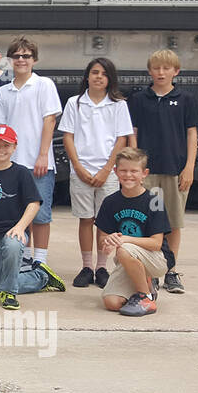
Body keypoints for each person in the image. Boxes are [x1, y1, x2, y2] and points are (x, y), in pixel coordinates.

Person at [127, 48, 198, 295]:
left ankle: (170, 270)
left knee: (173, 222)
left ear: (175, 71)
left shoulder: (185, 100)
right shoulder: (138, 99)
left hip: (174, 169)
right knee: (148, 220)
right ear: (149, 71)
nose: (161, 72)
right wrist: (135, 167)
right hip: (147, 172)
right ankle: (151, 270)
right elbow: (134, 133)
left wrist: (189, 166)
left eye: (166, 68)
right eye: (156, 68)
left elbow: (192, 134)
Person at [0, 124, 65, 310]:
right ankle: (41, 277)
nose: (1, 150)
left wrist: (21, 227)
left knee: (12, 245)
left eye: (6, 145)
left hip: (13, 231)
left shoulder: (20, 173)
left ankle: (10, 295)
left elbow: (34, 203)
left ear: (14, 147)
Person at [59, 58, 133, 289]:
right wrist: (79, 167)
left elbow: (122, 138)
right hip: (81, 170)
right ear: (87, 76)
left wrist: (107, 169)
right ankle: (87, 266)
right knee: (85, 218)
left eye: (103, 73)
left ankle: (102, 267)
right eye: (94, 72)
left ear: (110, 78)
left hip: (107, 172)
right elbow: (68, 136)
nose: (98, 77)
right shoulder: (75, 103)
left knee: (104, 221)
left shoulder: (118, 104)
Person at [0, 36, 62, 266]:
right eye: (17, 56)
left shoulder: (44, 85)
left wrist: (42, 155)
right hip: (13, 164)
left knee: (40, 215)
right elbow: (0, 130)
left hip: (39, 163)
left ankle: (40, 261)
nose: (21, 60)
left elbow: (49, 121)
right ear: (10, 60)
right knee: (18, 214)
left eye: (26, 56)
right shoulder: (3, 92)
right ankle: (24, 257)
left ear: (34, 59)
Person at [96, 147, 171, 316]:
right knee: (112, 303)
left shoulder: (154, 201)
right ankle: (143, 282)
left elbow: (156, 243)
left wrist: (124, 239)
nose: (128, 175)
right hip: (127, 259)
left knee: (123, 249)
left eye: (134, 171)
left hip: (157, 259)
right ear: (115, 172)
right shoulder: (110, 202)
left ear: (144, 173)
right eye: (123, 170)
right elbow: (102, 238)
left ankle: (146, 297)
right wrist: (109, 240)